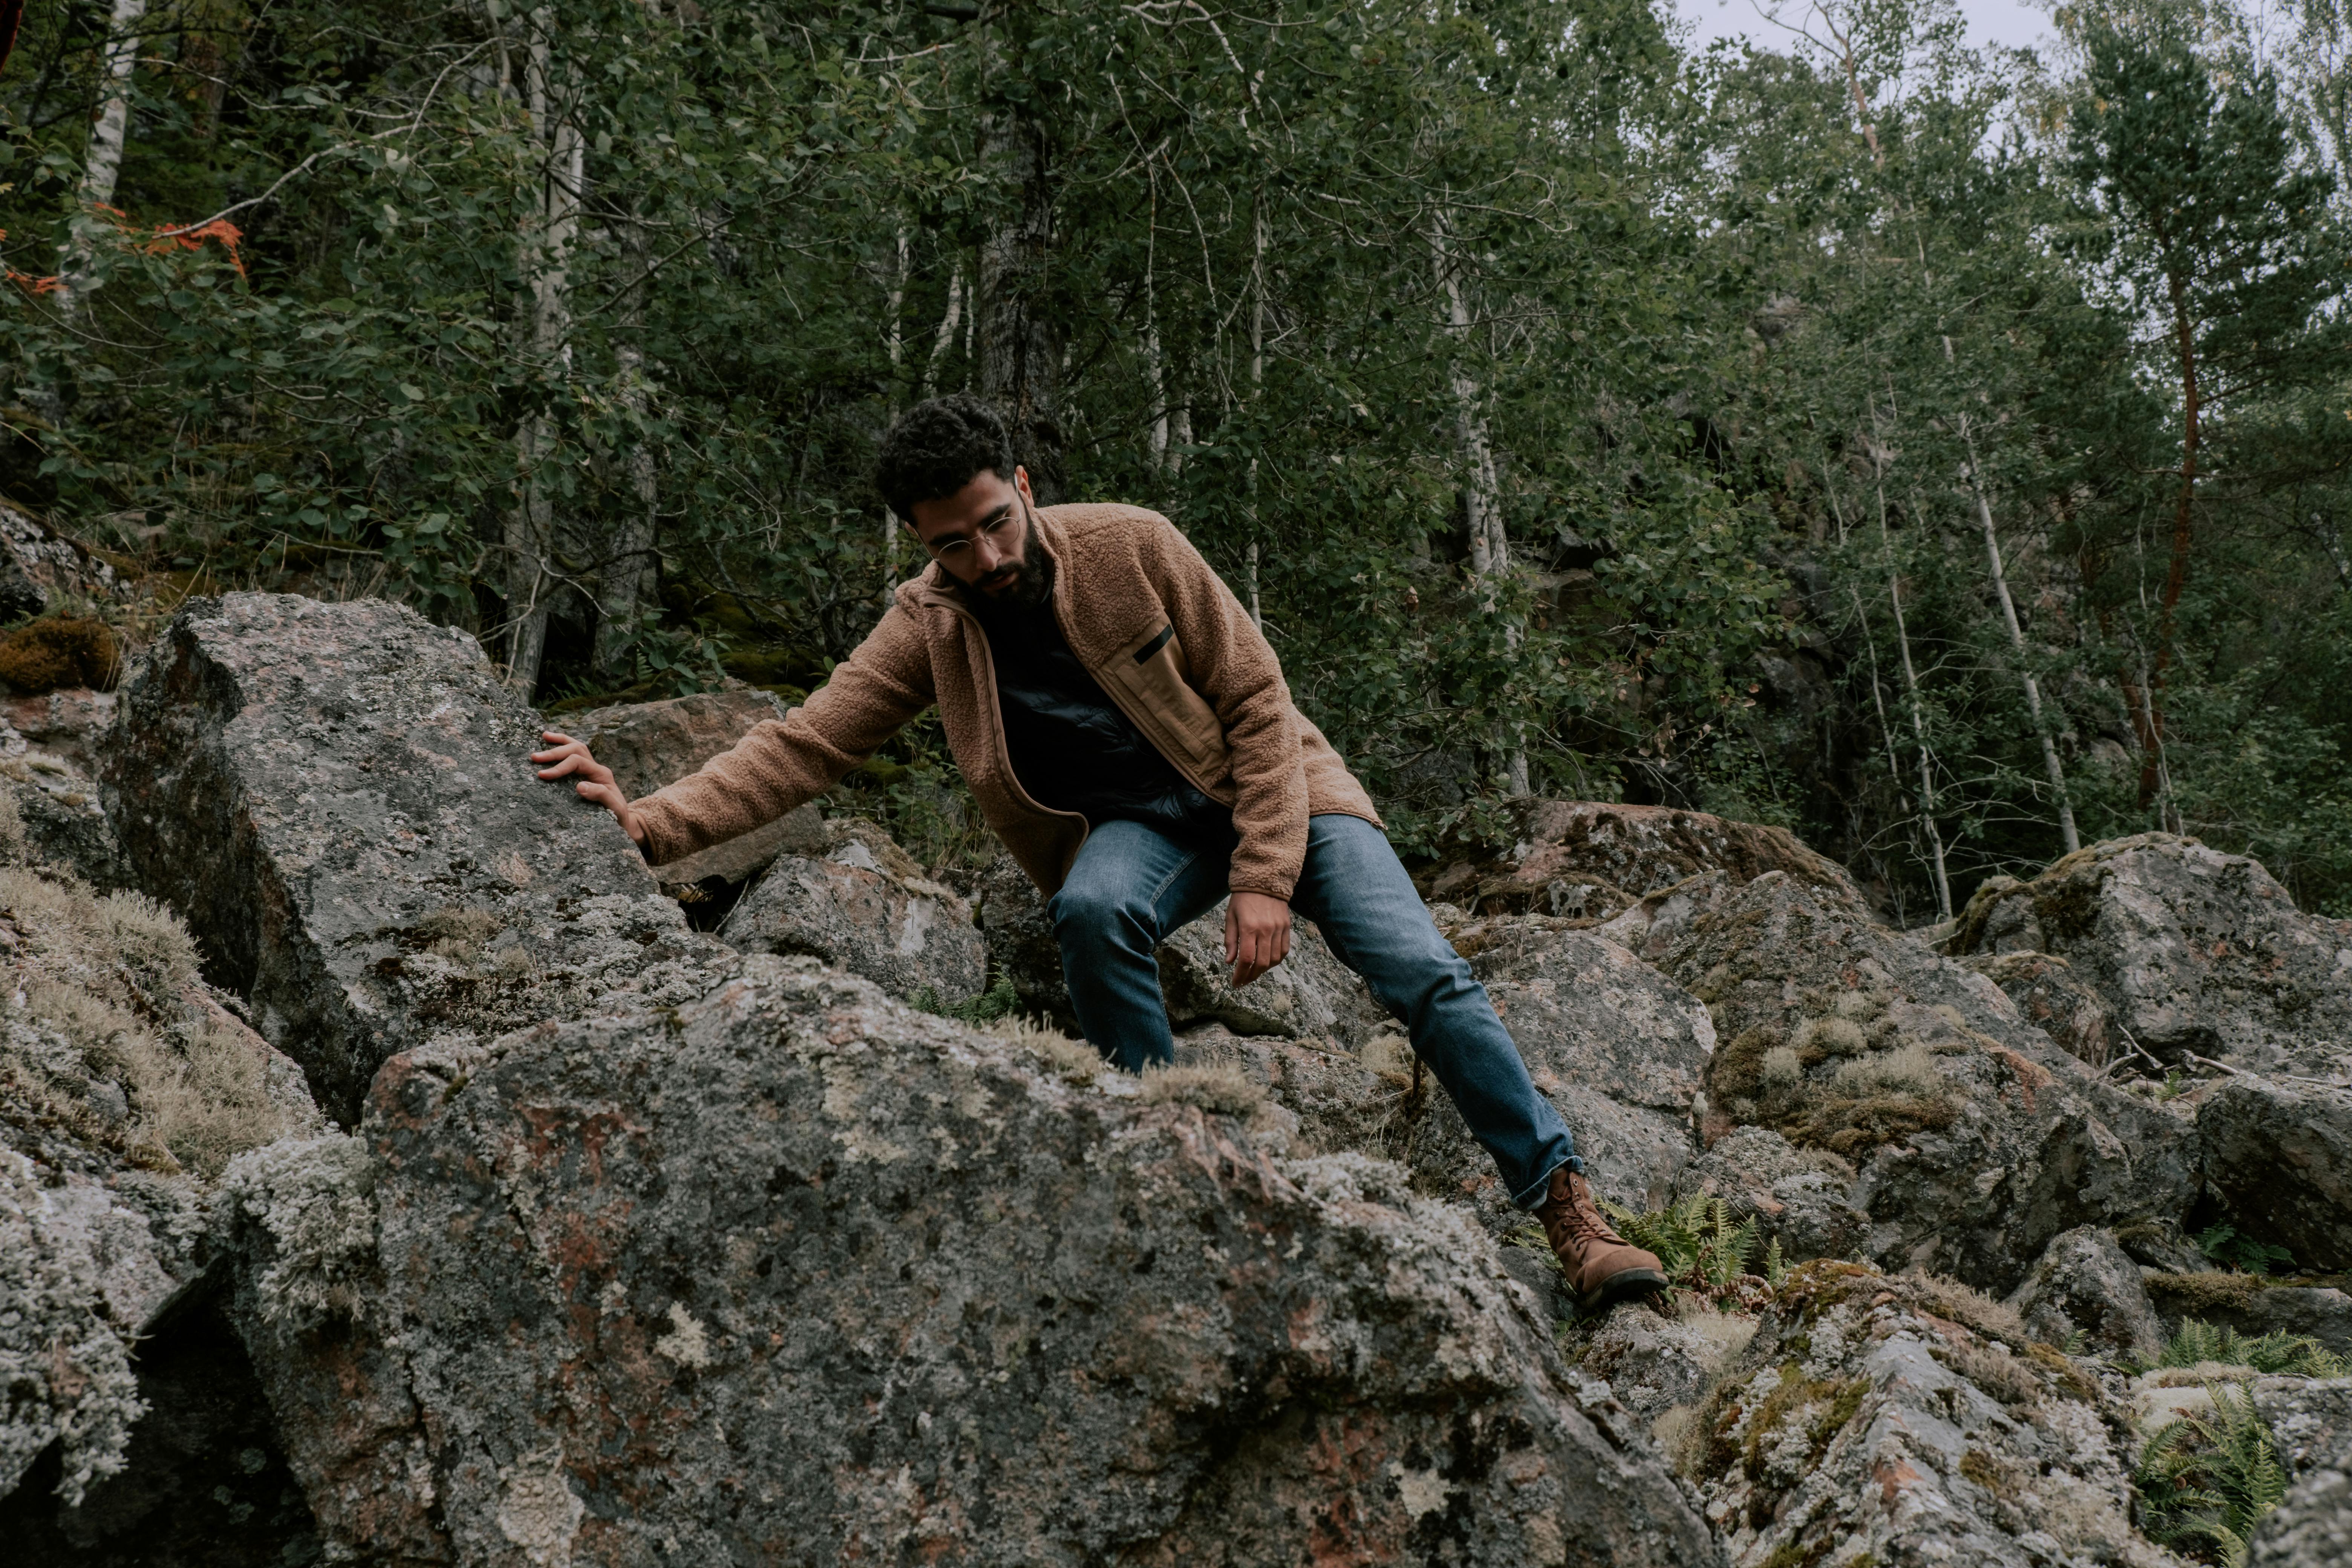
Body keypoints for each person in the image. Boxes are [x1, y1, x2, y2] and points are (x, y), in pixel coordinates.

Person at [530, 394, 1666, 1312]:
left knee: (1421, 970)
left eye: (995, 522)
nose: (983, 556)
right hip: (1142, 829)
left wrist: (1268, 877)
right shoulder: (925, 622)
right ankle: (1170, 1169)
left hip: (1282, 794)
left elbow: (1260, 699)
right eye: (950, 544)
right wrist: (648, 823)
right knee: (1088, 912)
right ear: (918, 544)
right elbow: (806, 745)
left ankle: (1566, 1205)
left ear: (1024, 488)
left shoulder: (1134, 545)